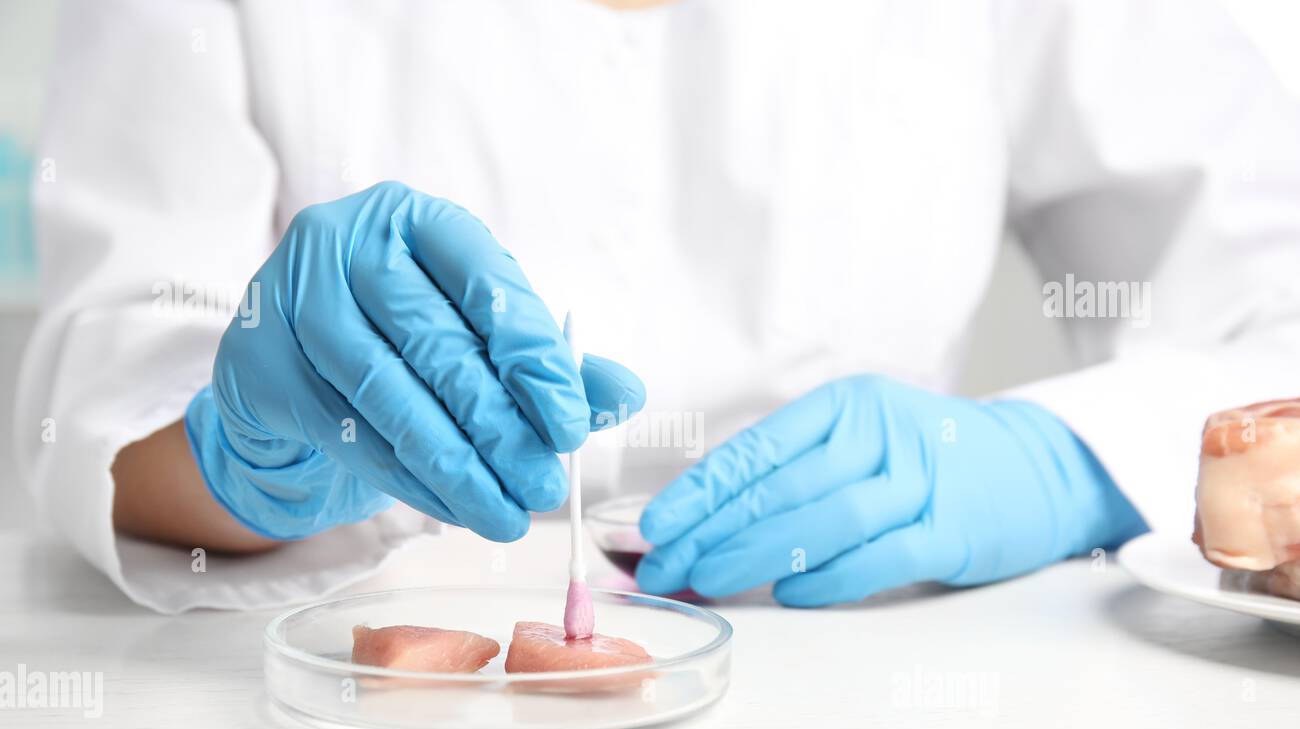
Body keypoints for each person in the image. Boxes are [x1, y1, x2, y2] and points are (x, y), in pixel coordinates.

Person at [16, 0, 1300, 612]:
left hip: (882, 721)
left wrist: (1055, 462)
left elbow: (1272, 291)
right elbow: (105, 392)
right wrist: (248, 452)